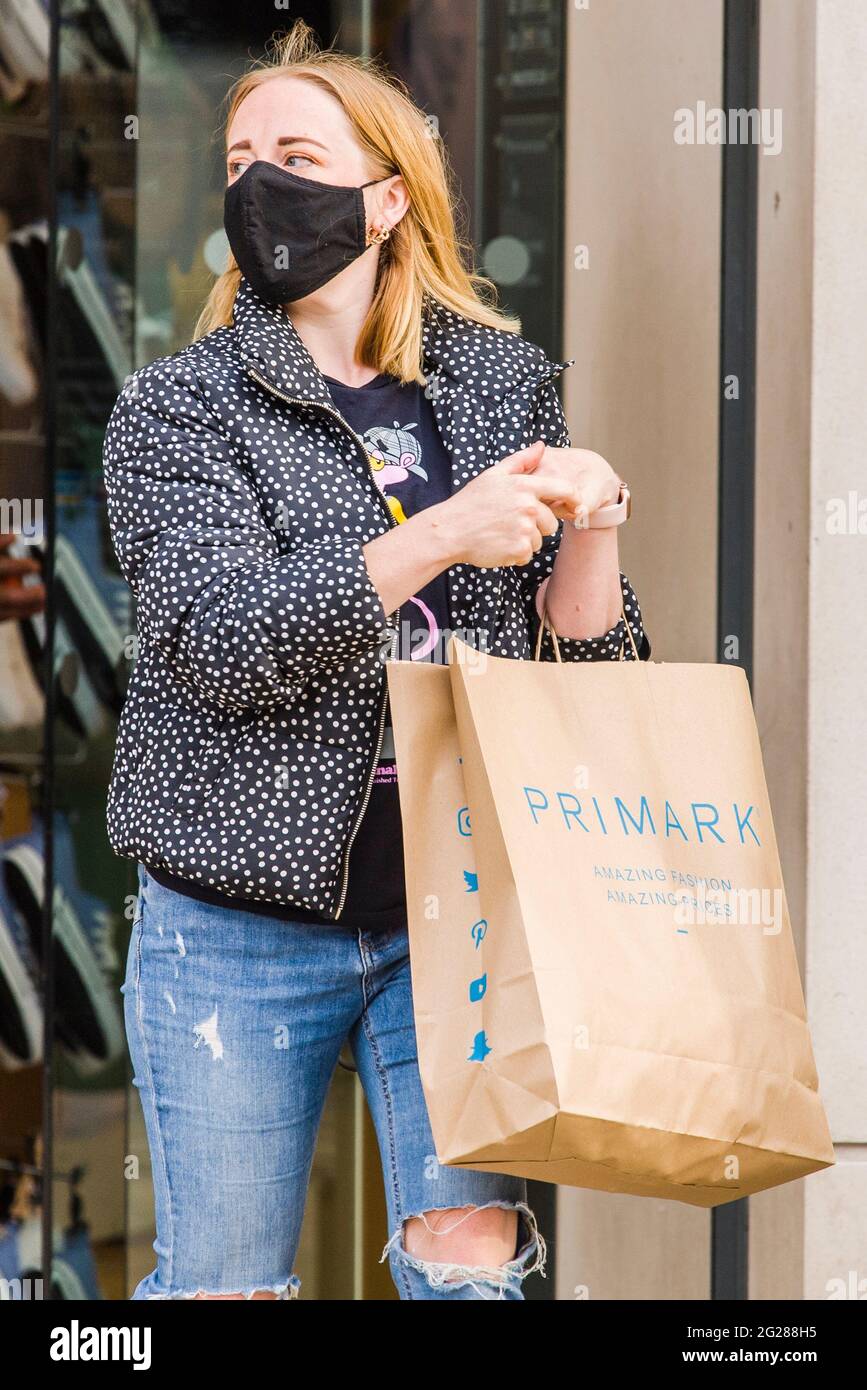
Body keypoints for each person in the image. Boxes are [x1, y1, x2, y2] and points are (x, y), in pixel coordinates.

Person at [104, 21, 649, 1301]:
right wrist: (440, 533)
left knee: (471, 1264)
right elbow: (221, 639)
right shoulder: (178, 408)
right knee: (225, 1284)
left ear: (388, 198)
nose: (260, 184)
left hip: (455, 911)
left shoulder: (498, 385)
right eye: (240, 159)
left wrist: (598, 522)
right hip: (234, 923)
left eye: (298, 156)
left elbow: (590, 673)